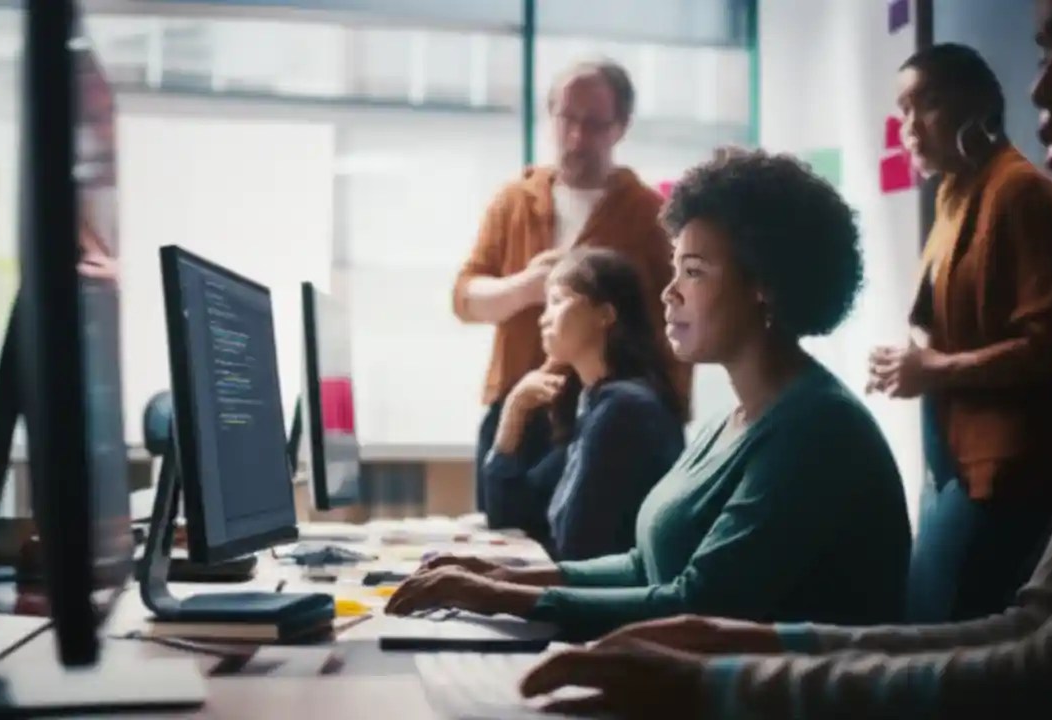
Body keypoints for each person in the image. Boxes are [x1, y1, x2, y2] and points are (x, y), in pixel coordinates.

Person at [519, 2, 1052, 717]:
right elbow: (1037, 625)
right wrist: (760, 646)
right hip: (964, 470)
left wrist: (723, 679)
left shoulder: (1017, 199)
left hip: (999, 478)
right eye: (1041, 54)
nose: (1041, 91)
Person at [387, 150, 912, 640]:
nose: (669, 291)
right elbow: (643, 564)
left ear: (765, 286)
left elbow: (698, 606)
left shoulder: (815, 431)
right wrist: (504, 575)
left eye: (694, 272)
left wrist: (499, 596)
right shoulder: (728, 421)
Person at [867, 43, 1052, 622]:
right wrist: (914, 359)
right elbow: (945, 319)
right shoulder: (955, 192)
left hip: (1008, 479)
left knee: (951, 637)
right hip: (955, 462)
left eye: (924, 105)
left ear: (976, 105)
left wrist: (935, 370)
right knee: (926, 625)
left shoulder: (1021, 192)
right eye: (902, 112)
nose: (909, 128)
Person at [452, 58, 692, 516]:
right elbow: (464, 298)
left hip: (608, 415)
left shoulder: (649, 215)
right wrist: (527, 287)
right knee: (502, 535)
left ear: (621, 127)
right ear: (550, 114)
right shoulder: (514, 201)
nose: (577, 138)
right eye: (567, 119)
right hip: (519, 404)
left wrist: (665, 412)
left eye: (595, 124)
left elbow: (678, 319)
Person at [484, 247, 686, 561]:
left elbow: (579, 550)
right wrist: (513, 413)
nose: (542, 319)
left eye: (557, 302)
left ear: (605, 315)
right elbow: (508, 516)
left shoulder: (624, 410)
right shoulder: (593, 402)